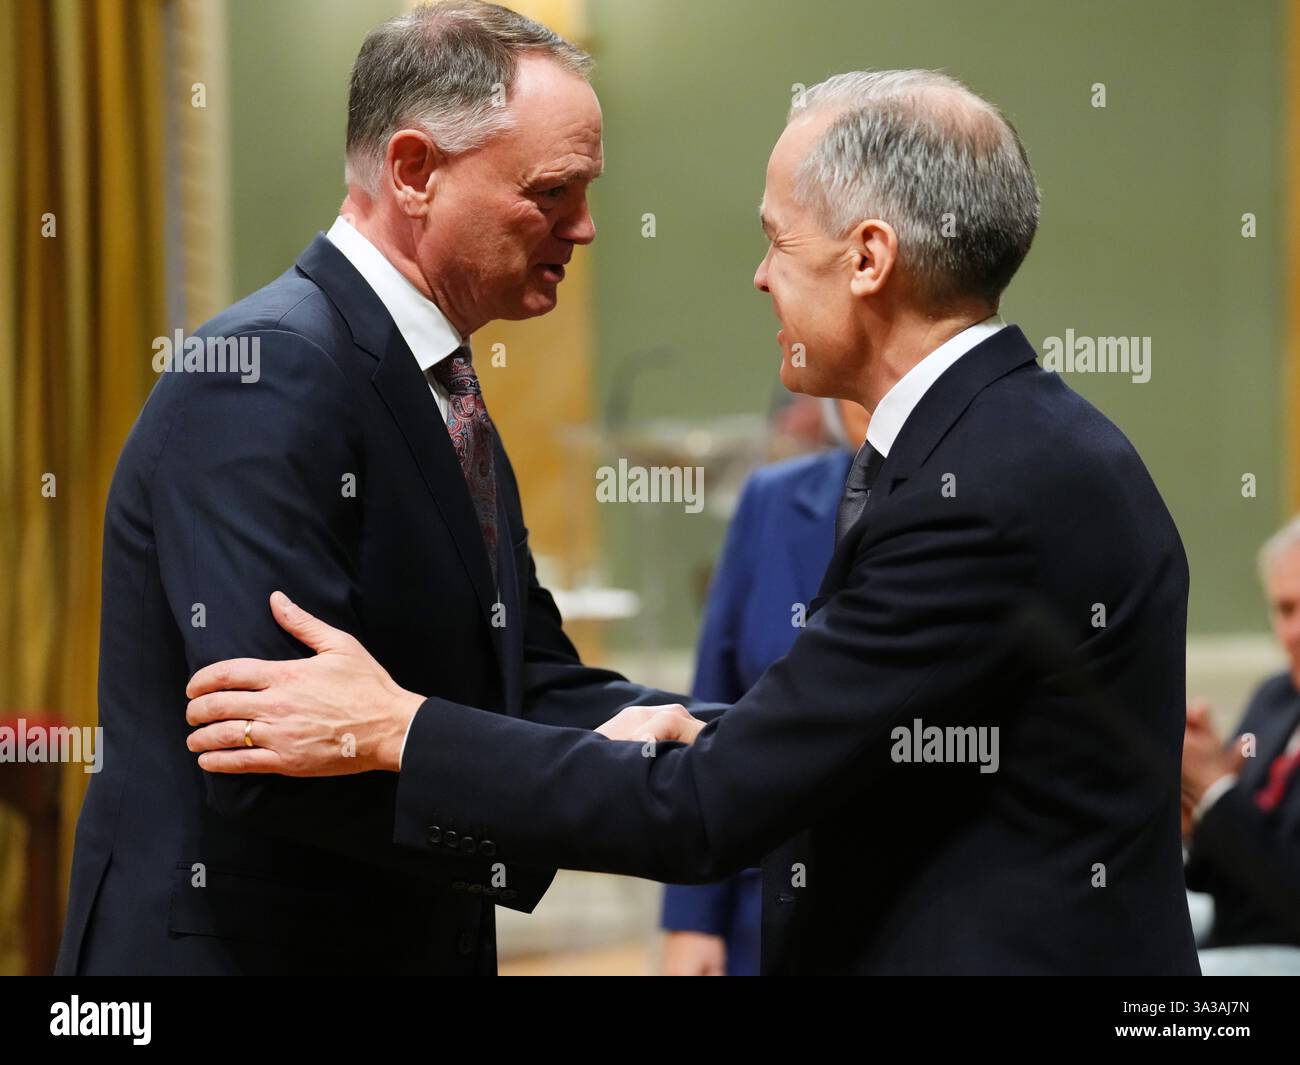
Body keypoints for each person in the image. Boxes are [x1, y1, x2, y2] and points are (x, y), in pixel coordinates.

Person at [188, 69, 1200, 974]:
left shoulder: (982, 486)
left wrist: (398, 729)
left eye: (774, 238)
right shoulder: (997, 442)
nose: (760, 275)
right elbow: (905, 738)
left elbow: (707, 814)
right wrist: (712, 729)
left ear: (866, 258)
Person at [58, 1, 717, 976]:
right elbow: (276, 751)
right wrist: (608, 783)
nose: (585, 227)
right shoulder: (267, 371)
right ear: (413, 171)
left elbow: (523, 681)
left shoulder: (432, 381)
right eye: (553, 191)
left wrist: (723, 740)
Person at [661, 399, 868, 976]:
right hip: (765, 909)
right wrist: (693, 916)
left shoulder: (976, 499)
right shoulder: (772, 499)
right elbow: (713, 700)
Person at [1182, 516, 1300, 971]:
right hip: (1237, 933)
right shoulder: (1275, 696)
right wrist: (1192, 814)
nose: (1294, 632)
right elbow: (1225, 876)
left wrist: (1215, 791)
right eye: (1285, 610)